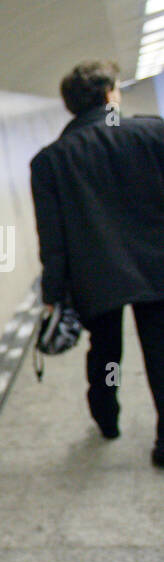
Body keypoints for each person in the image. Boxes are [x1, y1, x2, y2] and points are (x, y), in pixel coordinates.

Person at [30, 60, 164, 465]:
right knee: (160, 351)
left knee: (105, 352)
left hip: (96, 275)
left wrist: (53, 294)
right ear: (109, 95)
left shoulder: (50, 161)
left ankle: (107, 419)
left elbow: (51, 237)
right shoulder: (154, 133)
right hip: (157, 267)